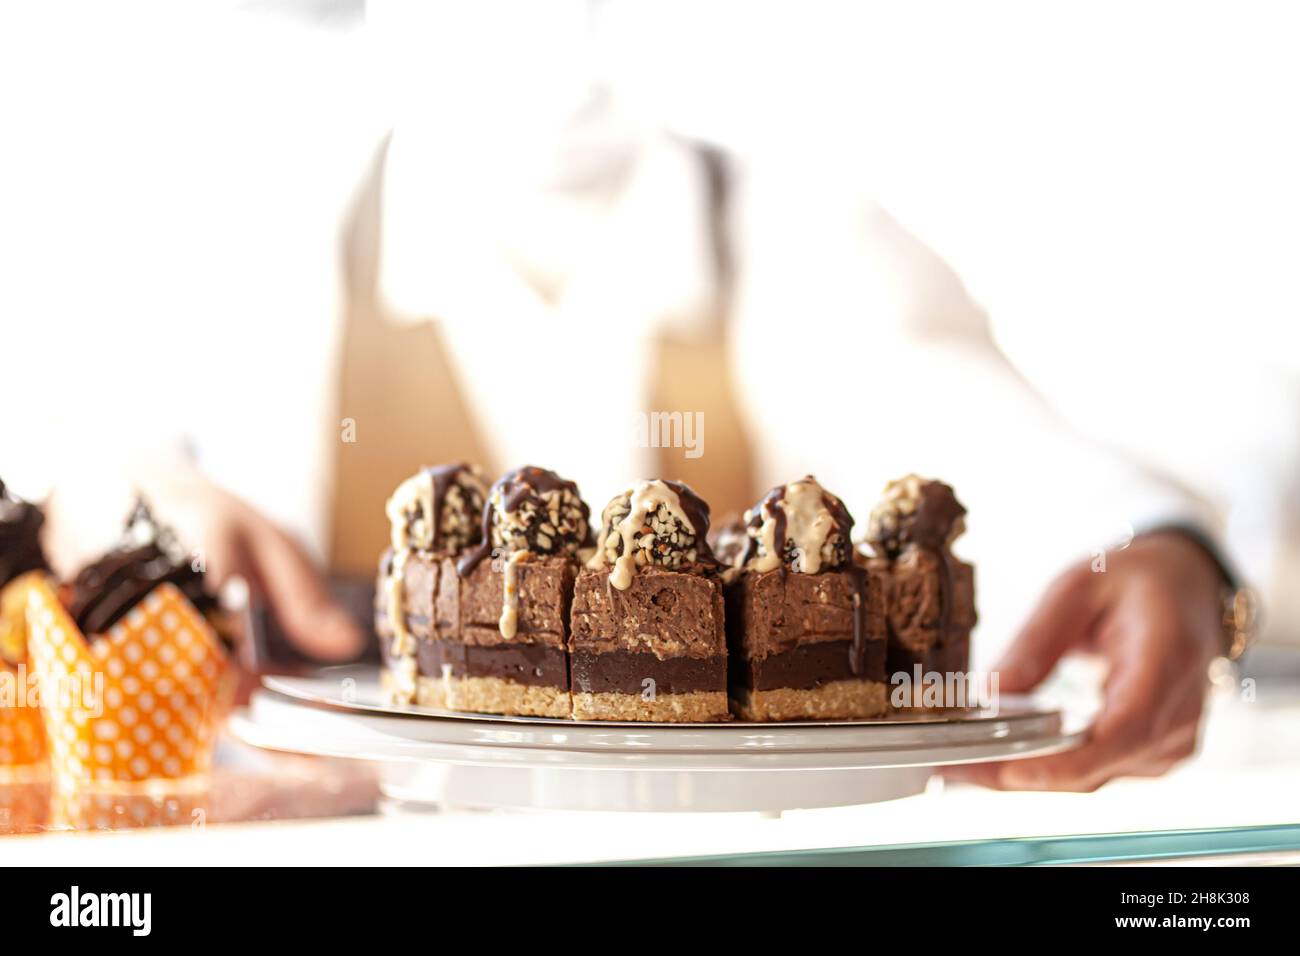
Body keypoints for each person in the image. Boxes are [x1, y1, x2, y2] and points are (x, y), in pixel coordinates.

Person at [2, 2, 1295, 793]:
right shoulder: (267, 245)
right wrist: (129, 507)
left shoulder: (802, 235)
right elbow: (81, 472)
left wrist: (1154, 549)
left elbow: (972, 435)